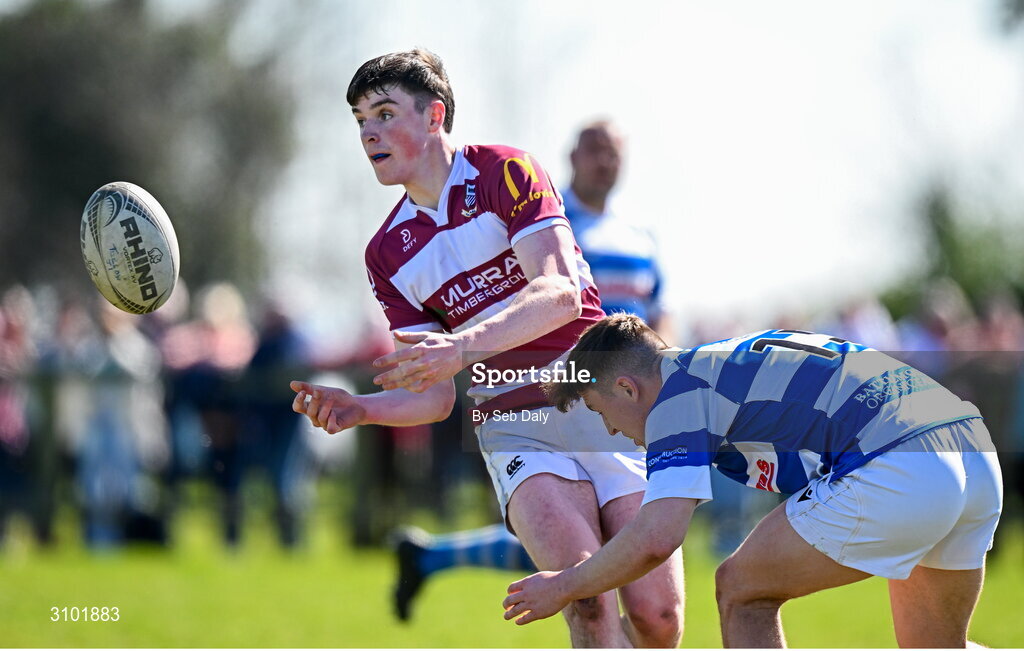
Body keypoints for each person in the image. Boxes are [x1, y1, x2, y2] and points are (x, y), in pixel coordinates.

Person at [290, 50, 684, 647]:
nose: (368, 131)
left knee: (659, 620)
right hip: (517, 424)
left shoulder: (505, 170)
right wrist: (362, 407)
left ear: (434, 116)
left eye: (384, 112)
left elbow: (559, 294)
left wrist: (461, 344)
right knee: (588, 604)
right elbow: (433, 398)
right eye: (359, 120)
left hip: (607, 408)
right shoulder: (386, 254)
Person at [502, 314, 1002, 648]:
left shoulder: (676, 396)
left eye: (600, 410)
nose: (610, 429)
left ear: (626, 387)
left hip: (902, 460)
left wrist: (564, 586)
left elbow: (656, 539)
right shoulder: (716, 372)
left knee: (741, 590)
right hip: (969, 446)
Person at [388, 119, 680, 622]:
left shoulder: (641, 237)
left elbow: (659, 314)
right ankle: (431, 557)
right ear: (572, 157)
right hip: (532, 399)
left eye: (614, 152)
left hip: (618, 404)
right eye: (594, 151)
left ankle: (430, 557)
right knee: (579, 566)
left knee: (655, 611)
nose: (605, 161)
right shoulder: (546, 212)